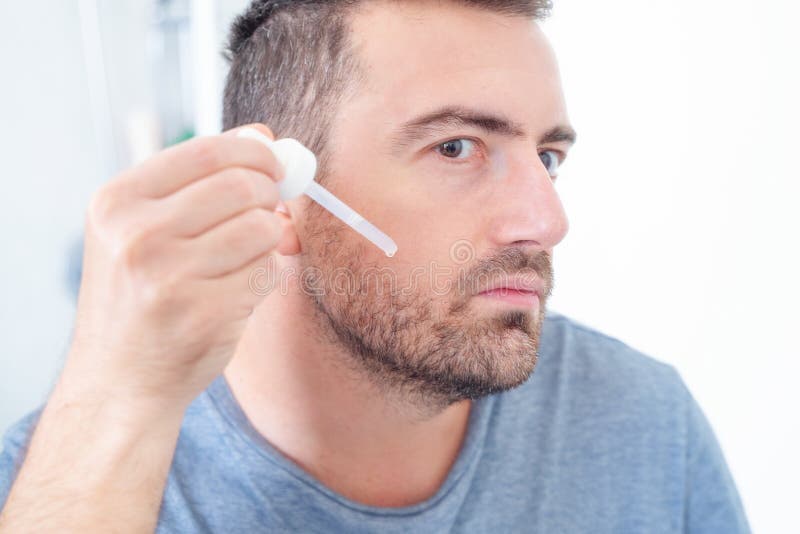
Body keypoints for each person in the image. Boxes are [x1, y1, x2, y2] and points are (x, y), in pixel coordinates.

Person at [0, 0, 751, 532]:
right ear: (283, 187)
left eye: (548, 156)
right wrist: (114, 402)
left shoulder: (645, 420)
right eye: (457, 147)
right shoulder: (63, 482)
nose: (547, 220)